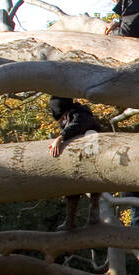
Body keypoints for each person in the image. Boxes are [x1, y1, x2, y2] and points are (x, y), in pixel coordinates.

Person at [48, 97, 102, 230]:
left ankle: (94, 211)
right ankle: (70, 220)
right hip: (79, 159)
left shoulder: (81, 115)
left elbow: (77, 125)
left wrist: (61, 137)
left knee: (93, 180)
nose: (60, 122)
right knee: (72, 186)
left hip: (94, 155)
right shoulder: (71, 117)